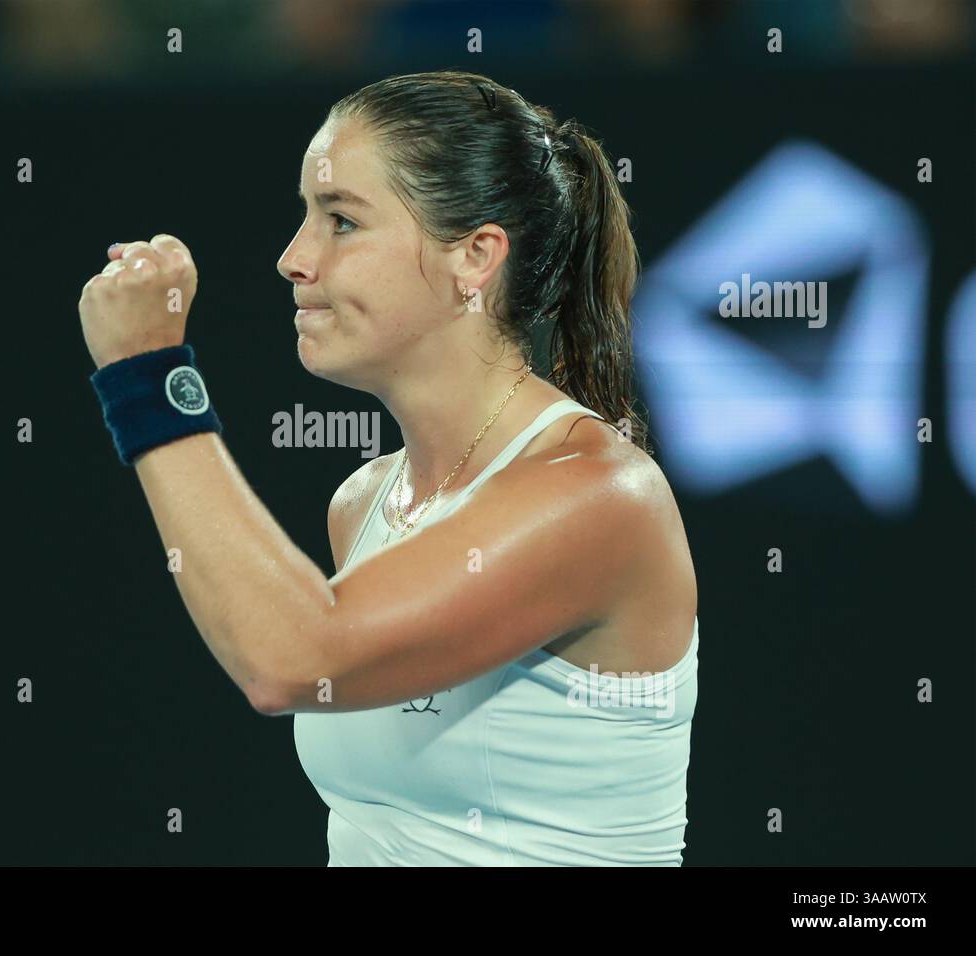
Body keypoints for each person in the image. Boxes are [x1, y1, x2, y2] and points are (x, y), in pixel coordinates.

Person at [79, 70, 699, 866]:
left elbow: (291, 659)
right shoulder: (365, 503)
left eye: (341, 220)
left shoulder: (599, 498)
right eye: (306, 215)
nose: (292, 259)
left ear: (474, 257)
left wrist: (149, 380)